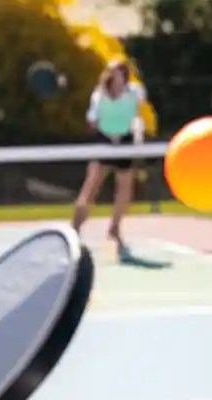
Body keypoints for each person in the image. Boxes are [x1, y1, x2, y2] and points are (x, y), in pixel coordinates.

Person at [71, 58, 148, 263]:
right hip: (104, 141)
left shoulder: (135, 92)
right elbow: (92, 121)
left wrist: (136, 132)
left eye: (121, 72)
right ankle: (75, 227)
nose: (117, 76)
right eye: (113, 72)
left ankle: (114, 228)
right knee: (91, 186)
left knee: (125, 189)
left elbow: (137, 113)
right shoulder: (99, 95)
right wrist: (105, 131)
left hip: (125, 141)